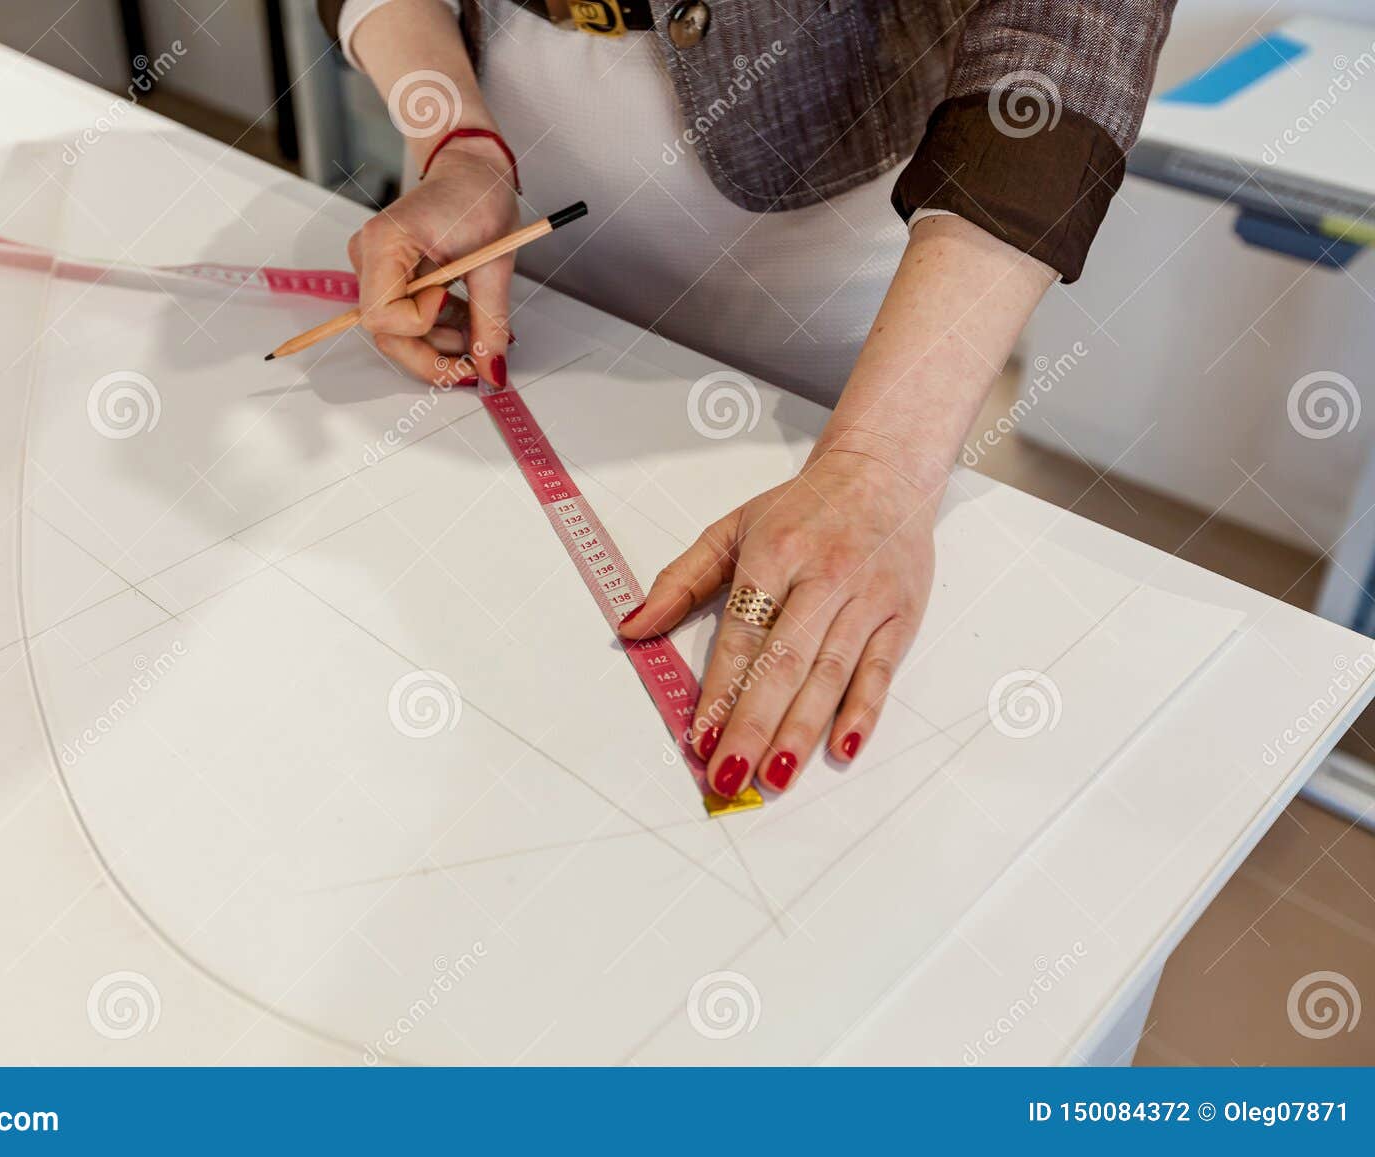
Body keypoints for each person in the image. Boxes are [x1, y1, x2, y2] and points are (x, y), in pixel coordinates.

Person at [317, 0, 1173, 798]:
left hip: (824, 238)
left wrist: (880, 463)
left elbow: (1070, 23)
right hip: (507, 193)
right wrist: (459, 144)